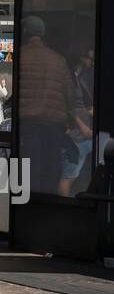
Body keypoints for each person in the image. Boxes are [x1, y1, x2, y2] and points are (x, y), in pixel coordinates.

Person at [19, 16, 75, 197]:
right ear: (42, 34)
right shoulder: (58, 59)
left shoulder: (21, 56)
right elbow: (69, 93)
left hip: (27, 122)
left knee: (29, 168)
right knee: (50, 168)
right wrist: (70, 121)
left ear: (25, 32)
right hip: (54, 123)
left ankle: (29, 207)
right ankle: (48, 207)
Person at [59, 48, 94, 197]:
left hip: (85, 137)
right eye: (90, 59)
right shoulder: (69, 80)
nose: (91, 63)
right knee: (69, 177)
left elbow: (84, 105)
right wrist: (83, 127)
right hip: (77, 137)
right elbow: (68, 107)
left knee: (77, 176)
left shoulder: (78, 78)